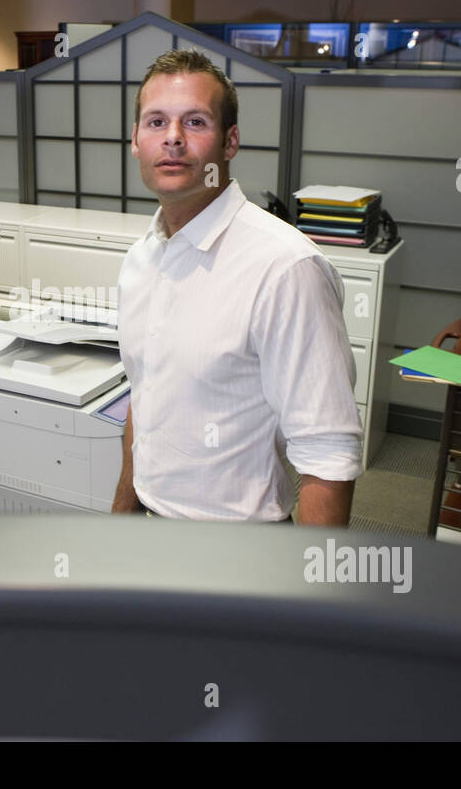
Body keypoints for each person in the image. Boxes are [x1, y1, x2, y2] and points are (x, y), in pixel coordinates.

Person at [111, 49, 362, 526]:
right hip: (150, 528)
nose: (174, 139)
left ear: (230, 142)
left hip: (243, 551)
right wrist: (121, 516)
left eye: (196, 122)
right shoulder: (143, 257)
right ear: (135, 142)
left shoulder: (285, 268)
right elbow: (143, 400)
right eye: (156, 122)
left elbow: (327, 455)